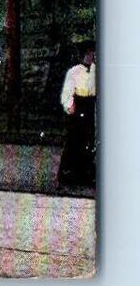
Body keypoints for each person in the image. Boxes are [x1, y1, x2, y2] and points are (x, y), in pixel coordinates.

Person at [58, 42, 97, 190]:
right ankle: (67, 174)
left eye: (92, 54)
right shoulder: (74, 71)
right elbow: (67, 91)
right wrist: (69, 104)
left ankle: (85, 174)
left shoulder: (95, 70)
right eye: (87, 54)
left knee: (89, 141)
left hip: (91, 104)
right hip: (80, 104)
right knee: (75, 140)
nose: (90, 57)